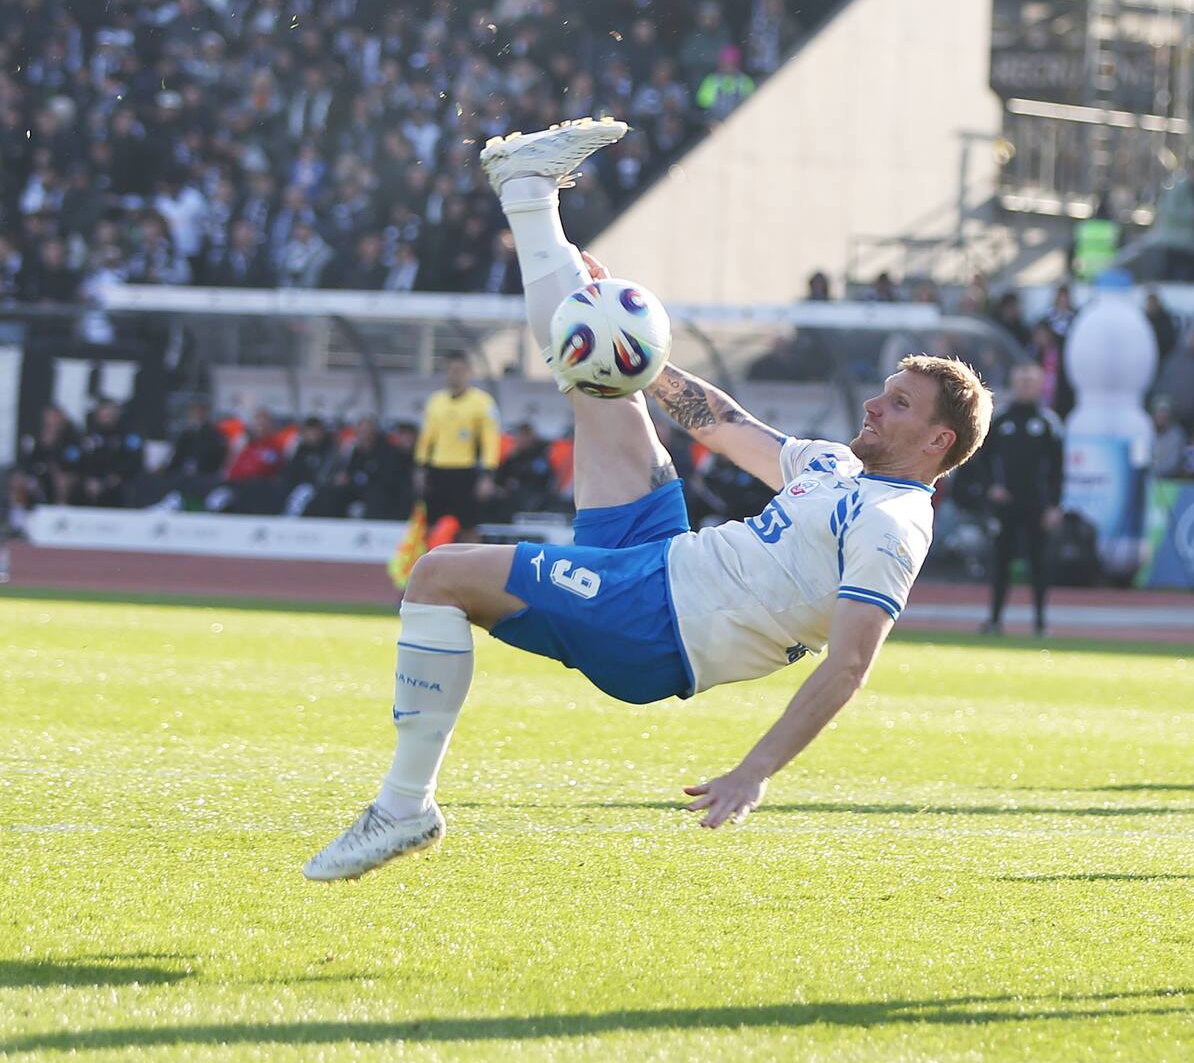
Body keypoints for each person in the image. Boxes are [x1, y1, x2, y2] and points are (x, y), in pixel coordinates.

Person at [304, 119, 993, 881]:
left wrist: (755, 771)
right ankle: (528, 193)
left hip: (657, 626)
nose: (873, 404)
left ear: (936, 442)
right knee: (596, 364)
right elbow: (726, 425)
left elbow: (850, 665)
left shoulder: (892, 526)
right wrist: (633, 341)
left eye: (897, 404)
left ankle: (404, 807)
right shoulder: (837, 467)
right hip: (663, 557)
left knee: (438, 574)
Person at [974, 363, 1065, 635]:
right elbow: (981, 460)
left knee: (1039, 563)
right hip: (1006, 504)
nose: (1026, 387)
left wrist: (1054, 505)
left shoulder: (1048, 422)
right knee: (1001, 562)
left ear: (1039, 386)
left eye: (1031, 382)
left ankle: (1039, 621)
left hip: (1037, 505)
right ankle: (995, 618)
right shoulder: (1000, 419)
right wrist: (991, 487)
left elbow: (1058, 469)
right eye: (1021, 381)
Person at [414, 351, 501, 542]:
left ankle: (472, 568)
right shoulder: (435, 401)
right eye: (452, 370)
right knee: (429, 524)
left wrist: (487, 474)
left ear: (469, 372)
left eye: (460, 370)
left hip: (465, 470)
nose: (456, 374)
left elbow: (489, 440)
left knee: (469, 525)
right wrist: (420, 467)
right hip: (438, 470)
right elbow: (427, 437)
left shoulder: (482, 402)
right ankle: (429, 565)